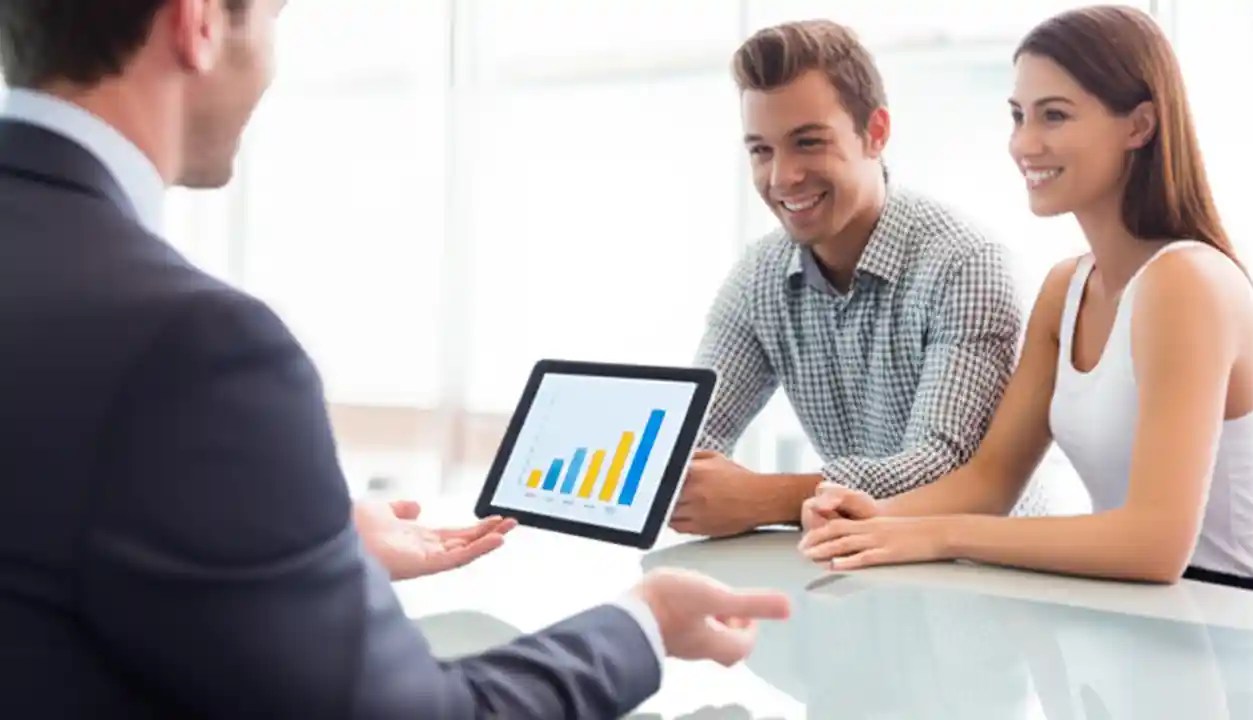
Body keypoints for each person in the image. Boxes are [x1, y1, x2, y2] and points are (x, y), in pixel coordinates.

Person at [0, 1, 791, 717]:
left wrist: (297, 555)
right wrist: (643, 625)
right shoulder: (198, 347)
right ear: (200, 23)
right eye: (276, 16)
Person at [798, 5, 1253, 594]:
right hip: (1143, 614)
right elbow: (992, 480)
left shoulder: (1188, 283)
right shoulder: (1066, 288)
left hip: (1236, 620)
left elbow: (1155, 544)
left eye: (1054, 115)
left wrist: (939, 534)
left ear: (1140, 126)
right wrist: (875, 515)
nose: (1024, 143)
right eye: (1018, 116)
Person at [672, 20, 1051, 539]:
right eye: (761, 150)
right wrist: (679, 478)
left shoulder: (965, 264)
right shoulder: (759, 277)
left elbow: (944, 469)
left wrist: (767, 497)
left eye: (808, 142)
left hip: (988, 580)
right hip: (861, 571)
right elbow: (690, 438)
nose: (782, 177)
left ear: (876, 132)